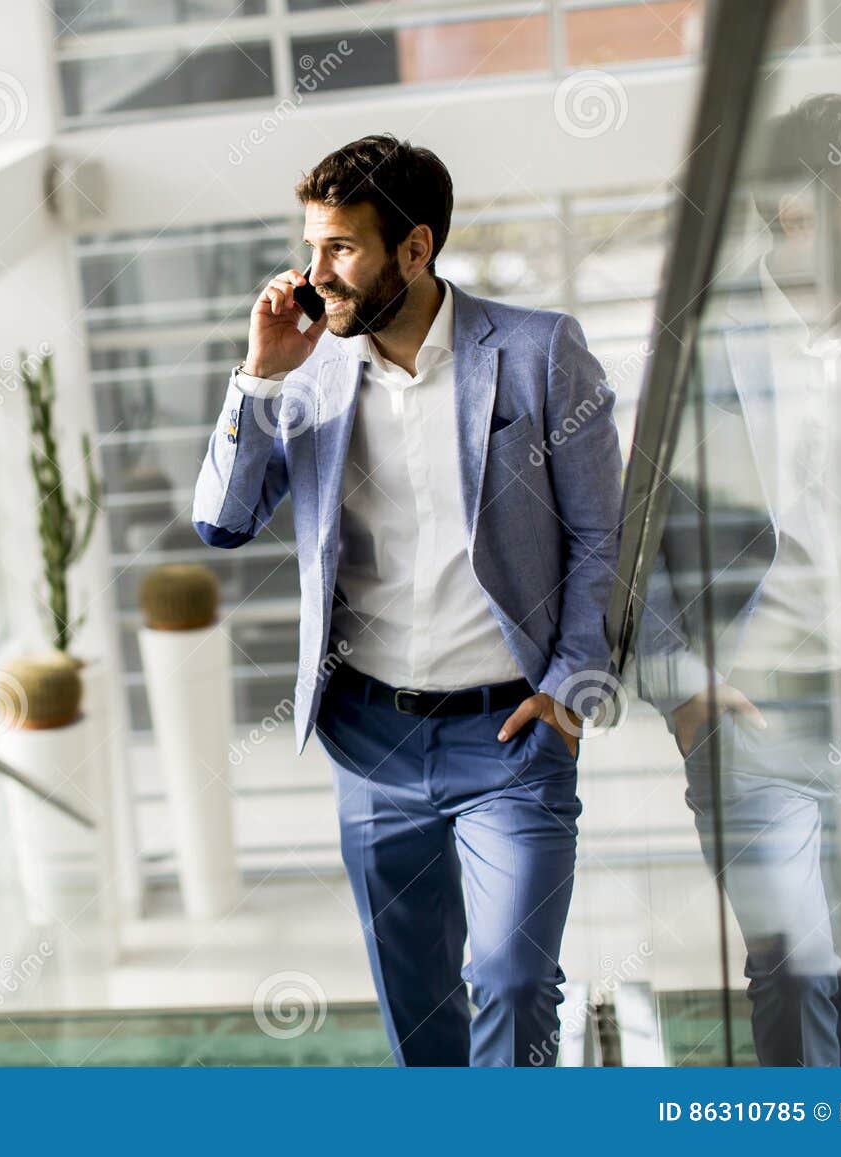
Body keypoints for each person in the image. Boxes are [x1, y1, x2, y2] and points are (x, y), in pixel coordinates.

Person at [193, 133, 623, 1066]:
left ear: (416, 249)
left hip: (512, 731)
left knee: (513, 978)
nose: (316, 276)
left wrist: (573, 685)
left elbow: (601, 534)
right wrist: (260, 373)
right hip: (372, 740)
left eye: (340, 249)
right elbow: (221, 524)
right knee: (417, 1008)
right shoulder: (305, 372)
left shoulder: (540, 351)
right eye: (312, 247)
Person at [635, 94, 841, 1066]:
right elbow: (620, 542)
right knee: (797, 965)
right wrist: (680, 690)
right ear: (797, 212)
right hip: (754, 725)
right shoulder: (692, 347)